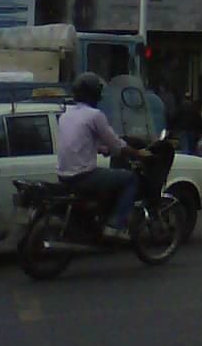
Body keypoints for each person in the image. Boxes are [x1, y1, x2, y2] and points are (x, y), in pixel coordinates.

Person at [56, 72, 149, 241]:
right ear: (94, 93)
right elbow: (116, 143)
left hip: (63, 175)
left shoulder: (65, 115)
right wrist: (138, 153)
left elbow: (83, 142)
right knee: (130, 179)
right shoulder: (95, 115)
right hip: (83, 176)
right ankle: (114, 226)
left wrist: (103, 149)